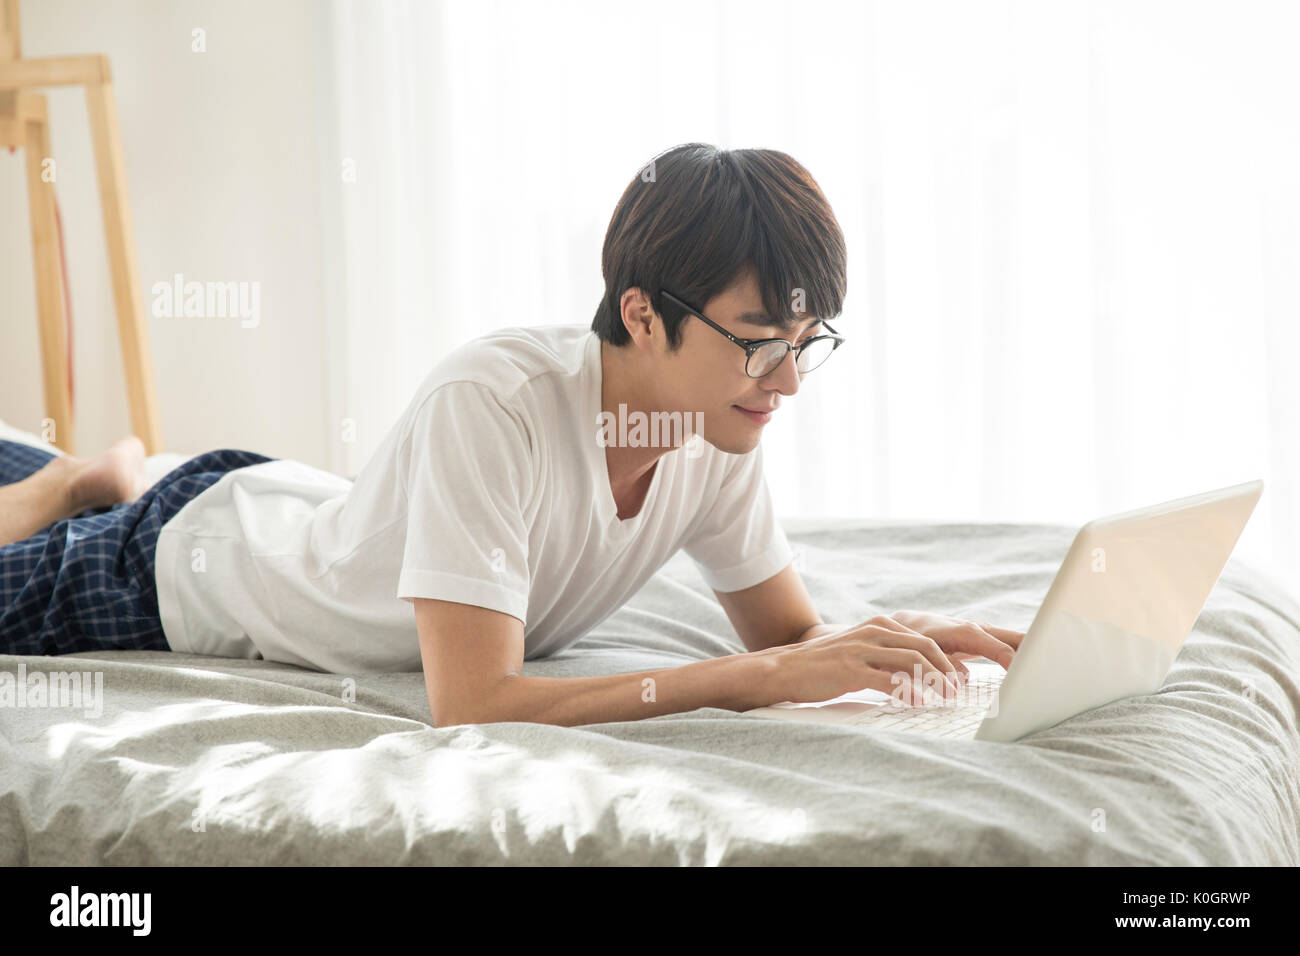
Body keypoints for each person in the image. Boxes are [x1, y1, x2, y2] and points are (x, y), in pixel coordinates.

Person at [0, 143, 1024, 726]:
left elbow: (788, 637)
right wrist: (752, 680)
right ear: (638, 314)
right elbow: (474, 702)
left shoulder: (718, 428)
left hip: (286, 504)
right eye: (761, 341)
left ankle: (95, 473)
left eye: (809, 342)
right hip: (172, 560)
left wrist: (916, 635)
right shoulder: (494, 403)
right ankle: (70, 487)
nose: (790, 380)